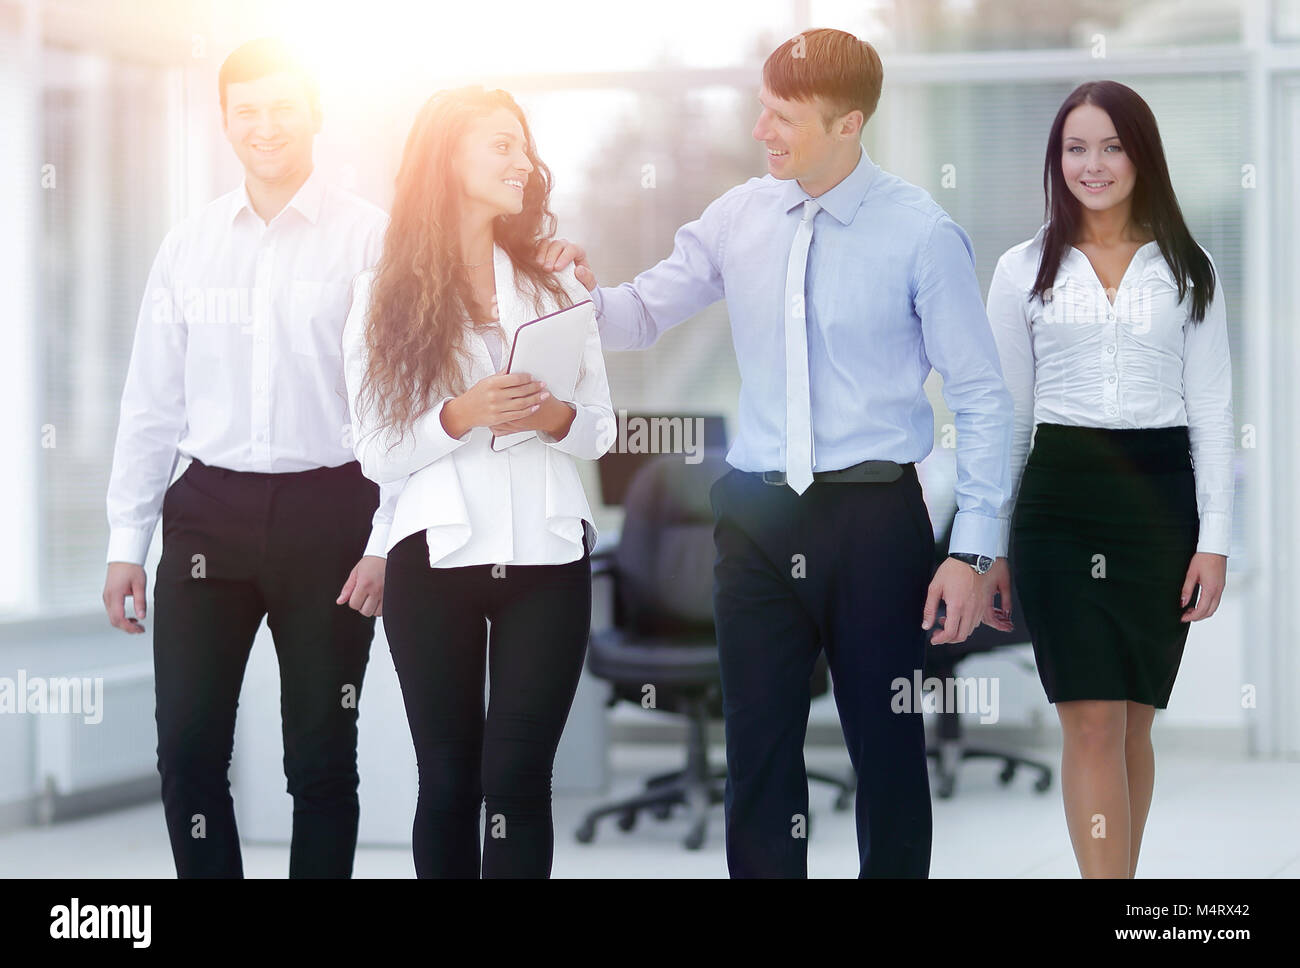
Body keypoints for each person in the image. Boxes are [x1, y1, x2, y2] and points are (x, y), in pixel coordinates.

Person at [545, 28, 1013, 878]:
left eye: (783, 117)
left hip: (875, 519)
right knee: (758, 750)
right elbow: (639, 314)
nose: (761, 130)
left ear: (848, 125)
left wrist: (973, 552)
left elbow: (981, 398)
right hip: (756, 515)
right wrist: (576, 286)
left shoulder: (922, 234)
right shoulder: (737, 216)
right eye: (762, 109)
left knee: (887, 750)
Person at [102, 38, 396, 878]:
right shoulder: (189, 245)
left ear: (314, 114)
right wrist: (128, 542)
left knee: (320, 759)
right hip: (206, 517)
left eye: (282, 108)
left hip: (331, 514)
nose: (265, 127)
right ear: (226, 123)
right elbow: (150, 403)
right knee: (189, 753)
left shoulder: (371, 239)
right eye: (248, 112)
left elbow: (396, 404)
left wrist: (384, 534)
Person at [342, 86, 614, 879]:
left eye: (523, 146)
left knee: (520, 780)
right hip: (436, 558)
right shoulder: (379, 294)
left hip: (550, 555)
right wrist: (458, 415)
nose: (521, 162)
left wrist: (555, 416)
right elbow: (376, 452)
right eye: (500, 145)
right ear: (447, 158)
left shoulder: (559, 286)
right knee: (453, 782)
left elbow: (603, 431)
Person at [982, 80, 1233, 878]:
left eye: (1112, 146)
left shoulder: (1190, 269)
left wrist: (1215, 542)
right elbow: (1006, 423)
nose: (1093, 165)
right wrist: (985, 544)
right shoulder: (1021, 269)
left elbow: (1216, 418)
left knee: (1131, 725)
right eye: (1076, 148)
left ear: (1141, 155)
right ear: (1056, 161)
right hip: (1060, 502)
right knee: (1088, 721)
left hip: (1160, 508)